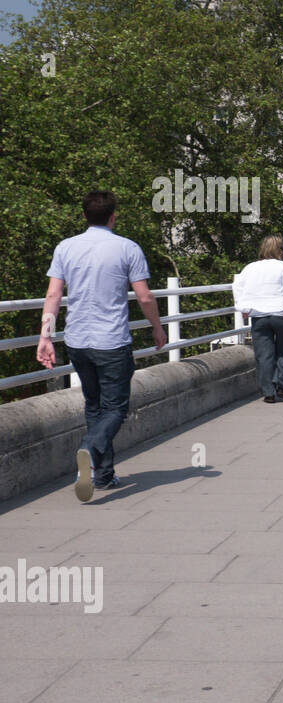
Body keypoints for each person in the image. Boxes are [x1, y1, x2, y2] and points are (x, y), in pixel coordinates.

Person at [37, 189, 166, 501]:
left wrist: (45, 337)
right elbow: (145, 296)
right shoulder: (127, 248)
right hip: (112, 342)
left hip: (78, 341)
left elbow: (53, 296)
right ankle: (89, 448)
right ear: (113, 216)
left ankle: (103, 475)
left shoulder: (65, 248)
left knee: (94, 406)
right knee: (116, 408)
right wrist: (157, 329)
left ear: (84, 216)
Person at [233, 235, 283, 404]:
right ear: (279, 250)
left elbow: (237, 286)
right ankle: (282, 385)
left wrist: (243, 307)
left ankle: (268, 392)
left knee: (264, 355)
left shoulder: (250, 268)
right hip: (281, 313)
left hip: (259, 315)